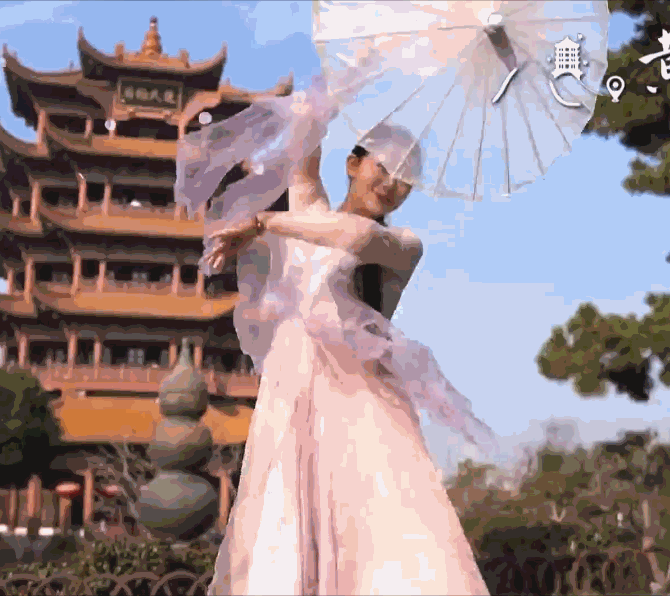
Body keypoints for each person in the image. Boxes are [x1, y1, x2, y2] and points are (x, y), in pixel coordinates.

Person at [201, 121, 494, 595]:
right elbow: (303, 157)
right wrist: (322, 101)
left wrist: (262, 223)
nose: (393, 184)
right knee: (288, 527)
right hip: (293, 400)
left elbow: (353, 237)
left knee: (383, 537)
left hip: (361, 405)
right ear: (353, 164)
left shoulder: (403, 246)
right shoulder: (310, 214)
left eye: (406, 179)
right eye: (385, 167)